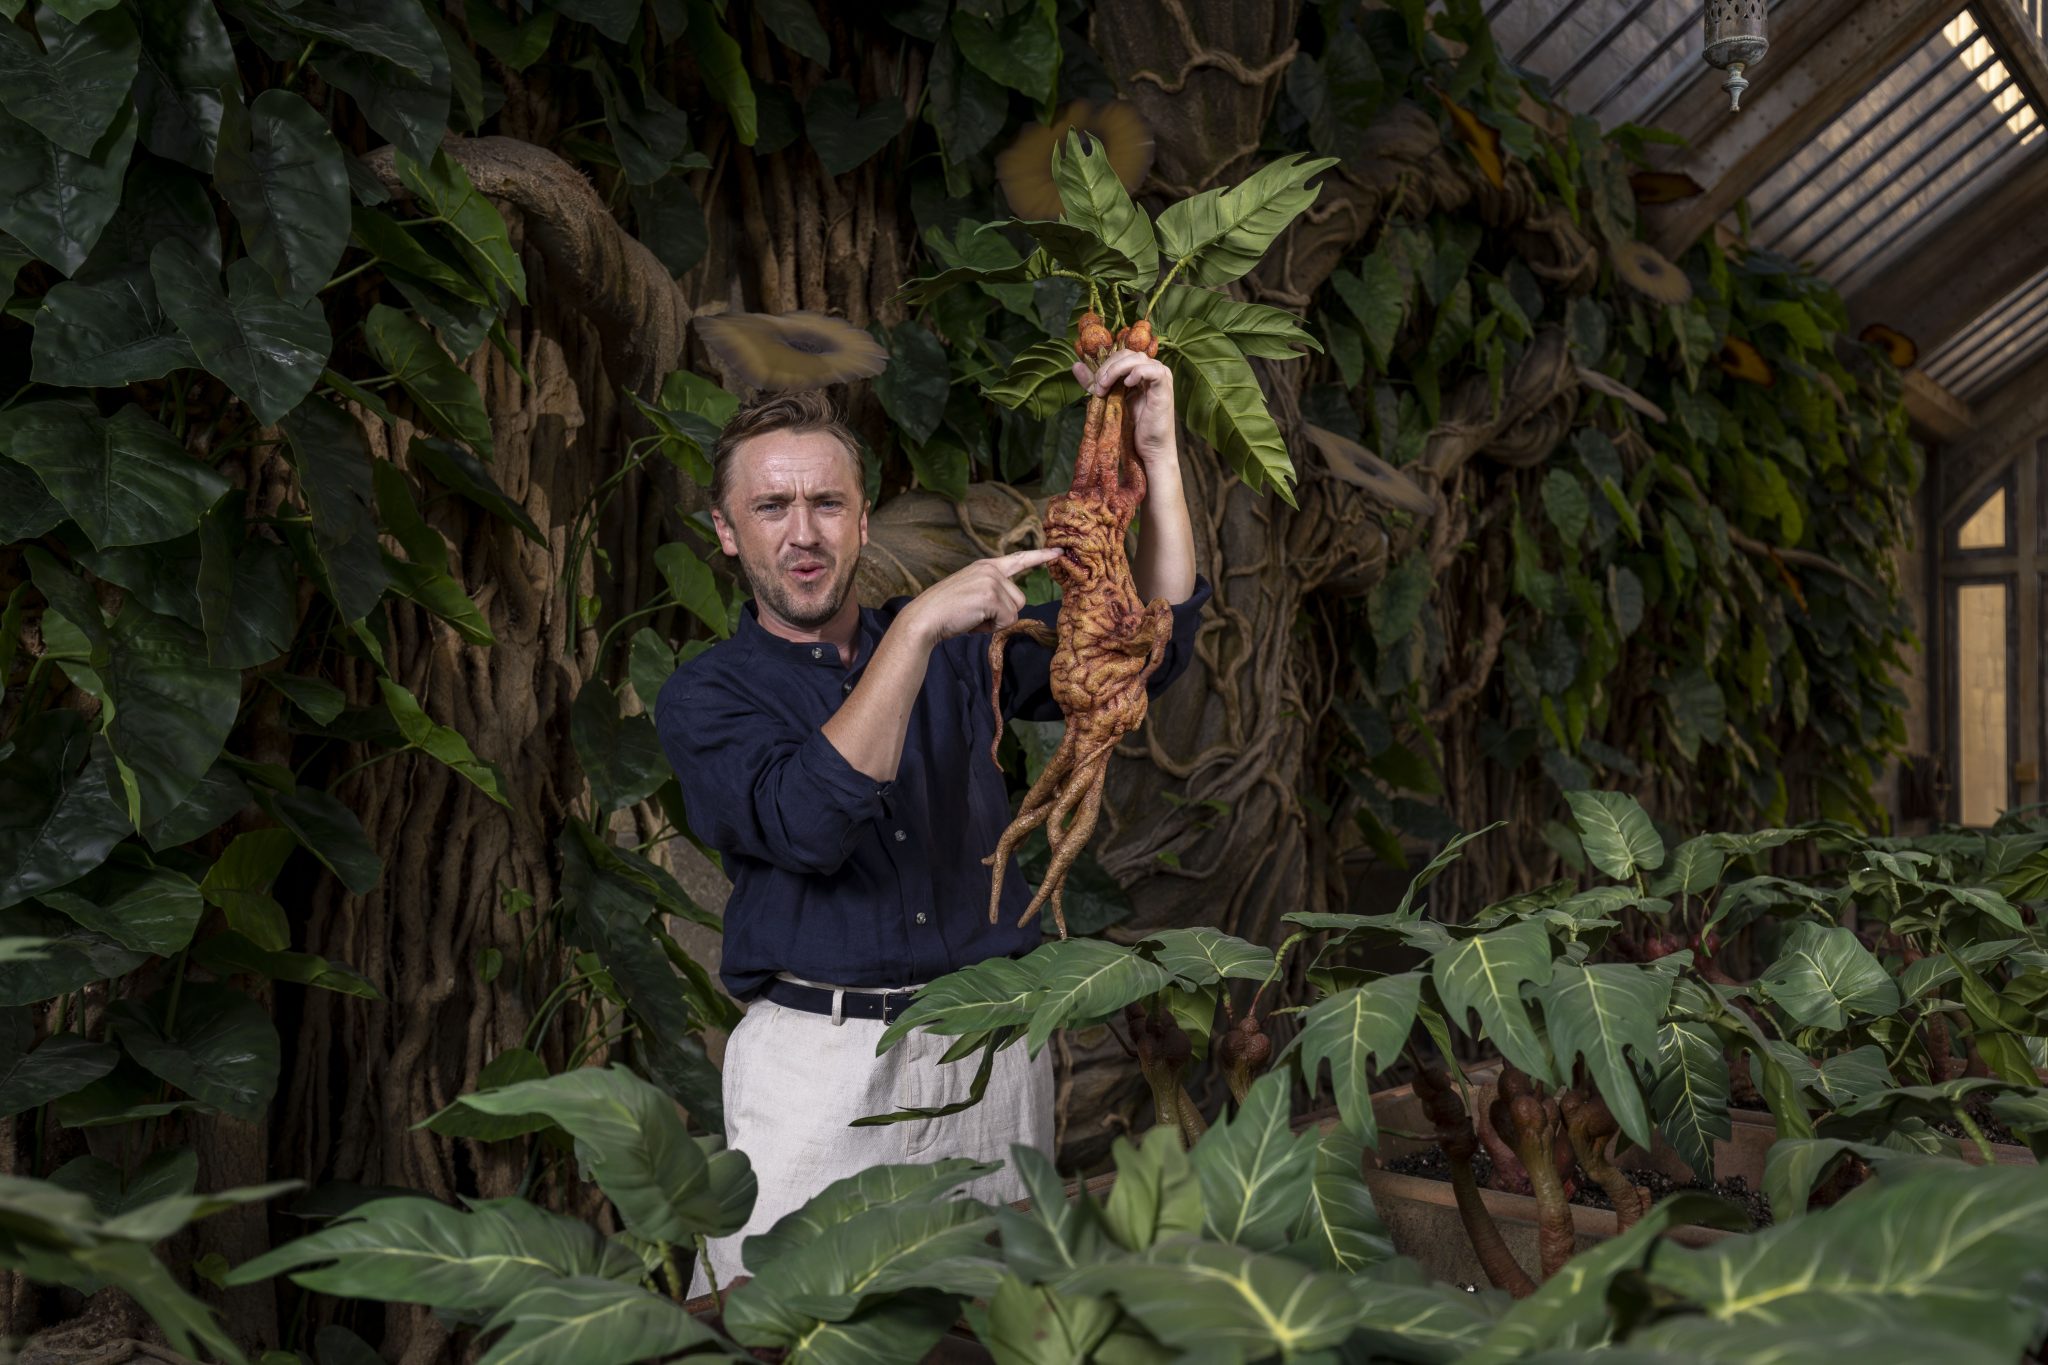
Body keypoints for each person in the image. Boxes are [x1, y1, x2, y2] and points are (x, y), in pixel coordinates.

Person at [655, 347, 1212, 1295]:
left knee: (990, 1330)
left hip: (983, 1059)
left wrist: (1156, 455)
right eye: (771, 507)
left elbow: (1143, 653)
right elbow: (812, 823)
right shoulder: (709, 696)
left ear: (862, 520)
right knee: (786, 1335)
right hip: (815, 1073)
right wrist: (913, 630)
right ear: (724, 530)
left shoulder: (966, 649)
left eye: (827, 505)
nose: (804, 533)